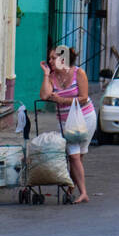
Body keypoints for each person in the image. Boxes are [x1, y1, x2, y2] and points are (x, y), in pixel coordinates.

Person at [38, 46, 94, 203]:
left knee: (78, 156)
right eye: (49, 58)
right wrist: (46, 74)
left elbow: (83, 97)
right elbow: (44, 95)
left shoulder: (78, 73)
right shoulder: (52, 76)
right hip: (65, 121)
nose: (50, 61)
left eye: (52, 58)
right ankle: (82, 192)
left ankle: (73, 188)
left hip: (85, 118)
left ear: (63, 60)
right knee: (74, 156)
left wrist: (62, 100)